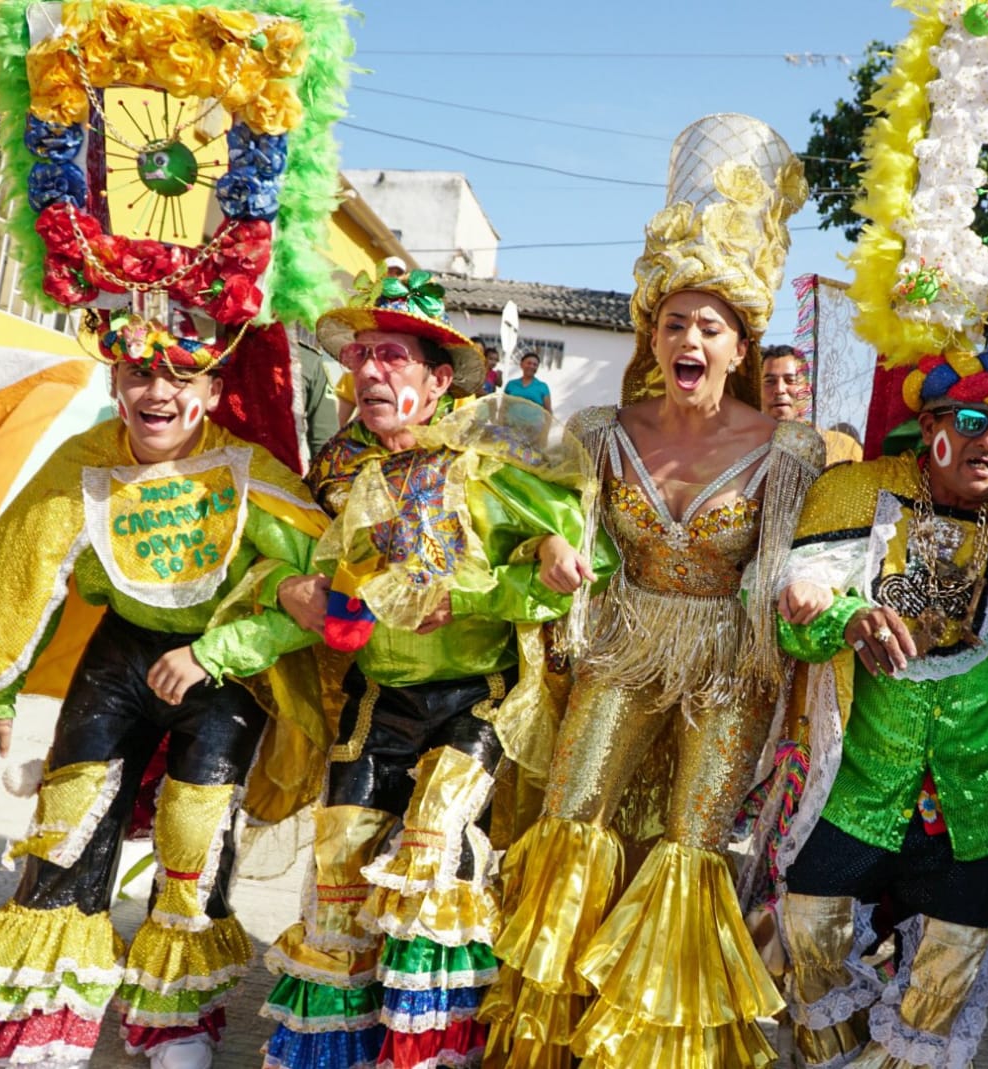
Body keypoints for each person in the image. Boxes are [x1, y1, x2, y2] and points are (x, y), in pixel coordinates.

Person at [480, 113, 822, 1069]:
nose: (689, 337)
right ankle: (546, 1037)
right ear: (651, 333)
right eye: (674, 321)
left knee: (689, 844)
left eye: (709, 325)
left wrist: (798, 597)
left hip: (728, 659)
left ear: (739, 344)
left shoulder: (786, 449)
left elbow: (791, 563)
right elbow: (552, 528)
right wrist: (552, 555)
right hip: (623, 642)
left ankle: (658, 1049)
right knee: (573, 812)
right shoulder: (597, 430)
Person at [0, 328, 331, 1069]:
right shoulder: (86, 462)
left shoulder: (249, 473)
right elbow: (24, 579)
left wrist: (216, 652)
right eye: (141, 372)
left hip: (219, 671)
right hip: (119, 656)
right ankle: (48, 1019)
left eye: (182, 375)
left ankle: (175, 1023)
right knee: (68, 821)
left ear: (211, 392)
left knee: (191, 837)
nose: (158, 391)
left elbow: (325, 601)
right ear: (116, 382)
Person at [258, 270, 611, 1069]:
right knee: (341, 868)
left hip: (471, 701)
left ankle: (427, 1053)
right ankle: (339, 1050)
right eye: (360, 358)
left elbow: (575, 538)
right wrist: (295, 590)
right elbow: (321, 571)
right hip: (374, 697)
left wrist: (541, 560)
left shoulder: (490, 461)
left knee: (434, 842)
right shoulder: (353, 475)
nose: (370, 373)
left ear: (437, 379)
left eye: (390, 357)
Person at [768, 339, 988, 1067]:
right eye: (973, 420)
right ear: (930, 421)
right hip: (860, 784)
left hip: (973, 802)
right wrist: (843, 614)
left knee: (947, 977)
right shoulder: (853, 492)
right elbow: (785, 614)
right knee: (808, 931)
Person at [760, 343, 863, 466]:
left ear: (807, 390)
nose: (780, 389)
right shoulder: (744, 448)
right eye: (770, 382)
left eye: (791, 380)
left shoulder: (843, 447)